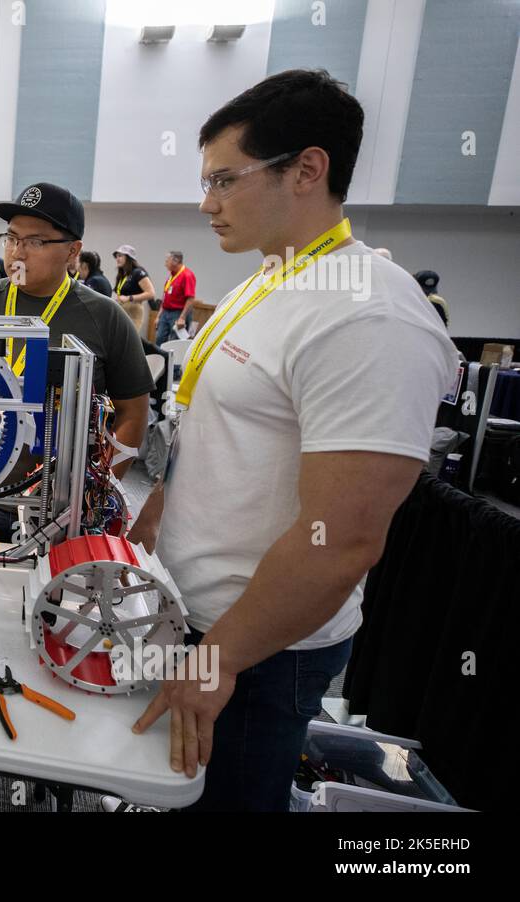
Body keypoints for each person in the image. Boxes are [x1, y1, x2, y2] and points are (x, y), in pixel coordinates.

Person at [128, 69, 457, 811]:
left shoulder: (370, 317)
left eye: (223, 180)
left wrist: (219, 660)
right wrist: (164, 510)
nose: (206, 203)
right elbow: (228, 427)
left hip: (257, 649)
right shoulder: (267, 281)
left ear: (308, 169)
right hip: (198, 615)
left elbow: (341, 541)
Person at [0, 182, 154, 541]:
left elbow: (133, 412)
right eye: (12, 238)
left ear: (73, 250)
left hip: (59, 502)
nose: (17, 252)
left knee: (50, 591)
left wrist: (98, 487)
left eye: (35, 241)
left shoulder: (104, 316)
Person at [111, 245, 156, 335]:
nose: (117, 259)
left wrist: (129, 298)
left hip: (134, 311)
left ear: (128, 258)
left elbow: (151, 293)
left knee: (128, 338)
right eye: (117, 256)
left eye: (120, 256)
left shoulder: (138, 272)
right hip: (122, 309)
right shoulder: (123, 274)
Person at [155, 251, 197, 346]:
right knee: (159, 339)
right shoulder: (171, 276)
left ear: (176, 261)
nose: (165, 264)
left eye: (167, 261)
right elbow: (165, 297)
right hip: (165, 312)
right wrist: (158, 316)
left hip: (178, 313)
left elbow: (190, 298)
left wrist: (182, 317)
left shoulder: (187, 275)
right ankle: (160, 360)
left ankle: (173, 361)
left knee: (174, 343)